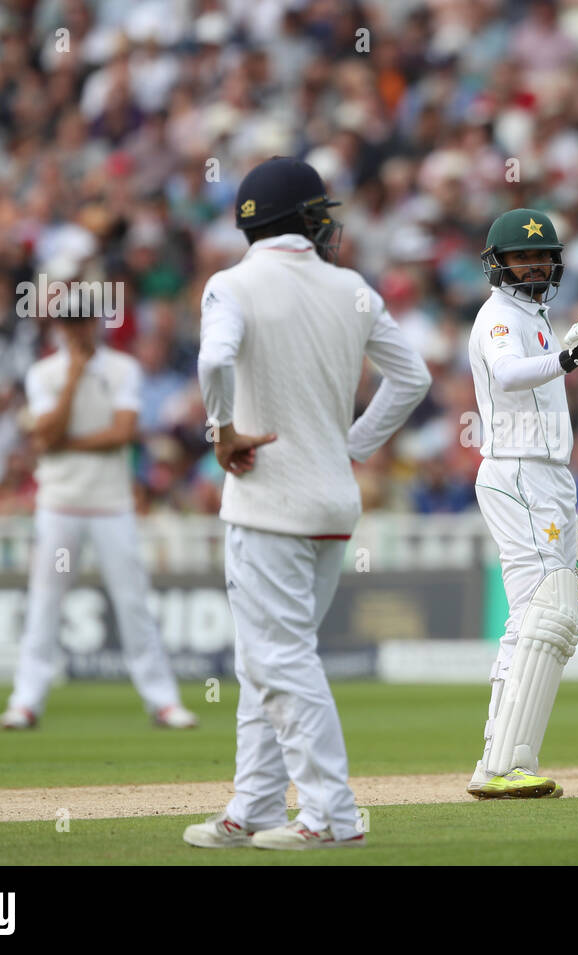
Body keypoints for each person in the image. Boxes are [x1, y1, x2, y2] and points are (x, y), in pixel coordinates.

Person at [183, 157, 430, 850]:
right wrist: (350, 444)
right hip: (331, 504)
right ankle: (255, 803)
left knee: (279, 656)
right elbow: (411, 377)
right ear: (305, 219)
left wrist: (222, 430)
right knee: (265, 658)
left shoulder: (231, 284)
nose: (331, 224)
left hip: (267, 502)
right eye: (322, 213)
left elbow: (213, 361)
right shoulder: (351, 287)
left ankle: (332, 815)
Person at [464, 208, 578, 799]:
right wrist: (570, 355)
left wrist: (577, 347)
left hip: (545, 478)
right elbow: (506, 375)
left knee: (542, 618)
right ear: (497, 264)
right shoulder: (500, 316)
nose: (533, 265)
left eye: (541, 256)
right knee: (538, 616)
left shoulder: (535, 316)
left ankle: (503, 758)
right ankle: (501, 763)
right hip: (519, 472)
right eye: (521, 257)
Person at [0, 308, 197, 731]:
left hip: (112, 503)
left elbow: (122, 433)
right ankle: (26, 701)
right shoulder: (44, 373)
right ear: (60, 328)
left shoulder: (123, 369)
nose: (78, 329)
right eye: (70, 323)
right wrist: (73, 377)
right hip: (60, 502)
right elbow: (47, 437)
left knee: (132, 599)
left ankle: (163, 701)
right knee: (45, 599)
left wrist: (64, 441)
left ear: (95, 324)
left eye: (84, 321)